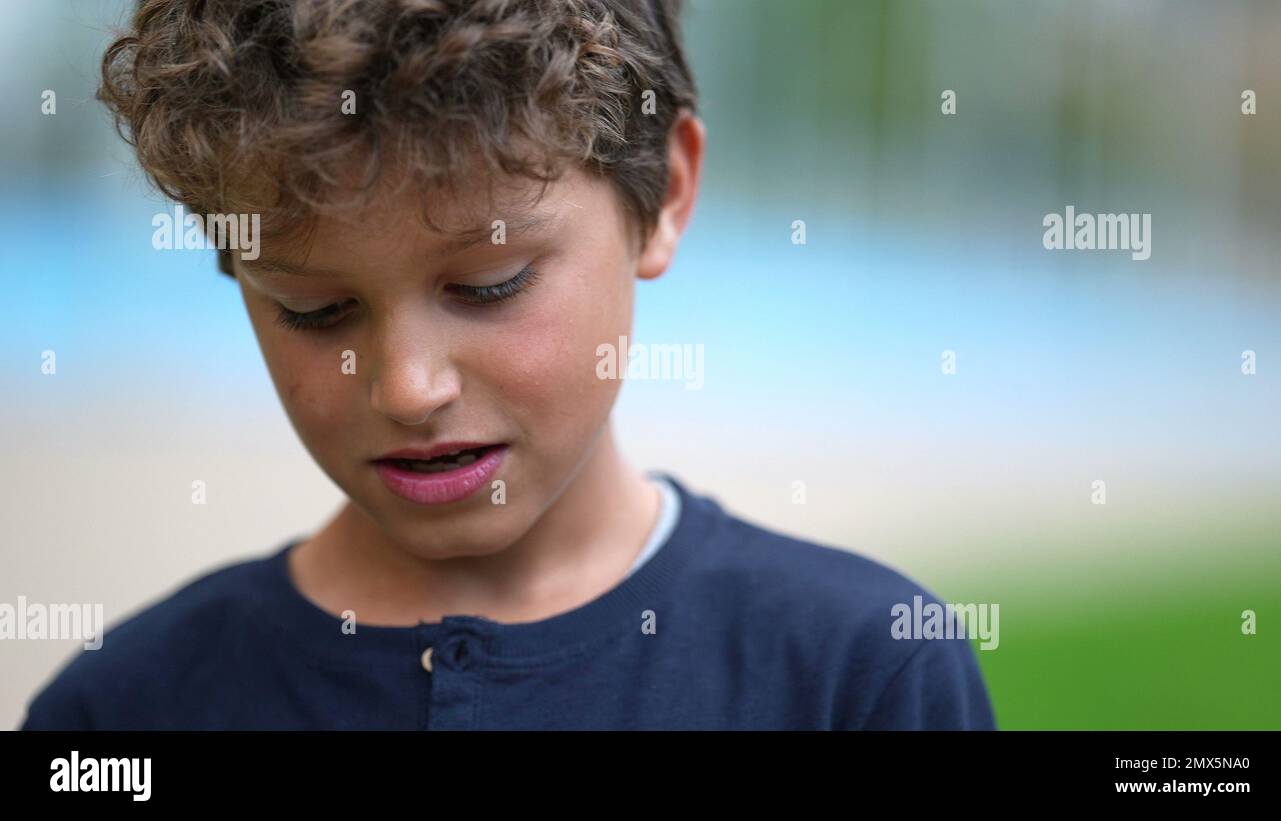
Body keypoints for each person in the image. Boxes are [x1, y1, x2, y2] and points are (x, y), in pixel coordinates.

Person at [20, 0, 995, 730]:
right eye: (315, 309)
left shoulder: (858, 672)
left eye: (489, 284)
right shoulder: (124, 710)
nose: (407, 385)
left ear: (664, 196)